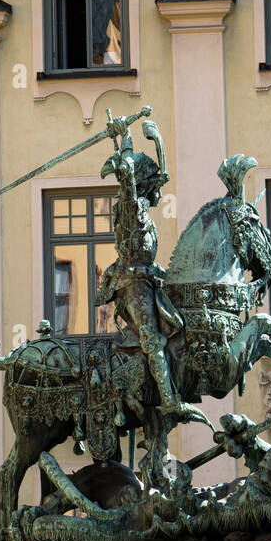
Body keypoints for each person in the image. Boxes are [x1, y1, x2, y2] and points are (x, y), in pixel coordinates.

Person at [96, 118, 203, 422]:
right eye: (153, 183)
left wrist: (155, 142)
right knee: (152, 338)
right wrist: (126, 139)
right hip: (133, 285)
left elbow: (162, 176)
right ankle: (168, 399)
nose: (159, 189)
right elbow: (128, 182)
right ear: (142, 184)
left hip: (148, 279)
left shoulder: (143, 211)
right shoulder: (131, 208)